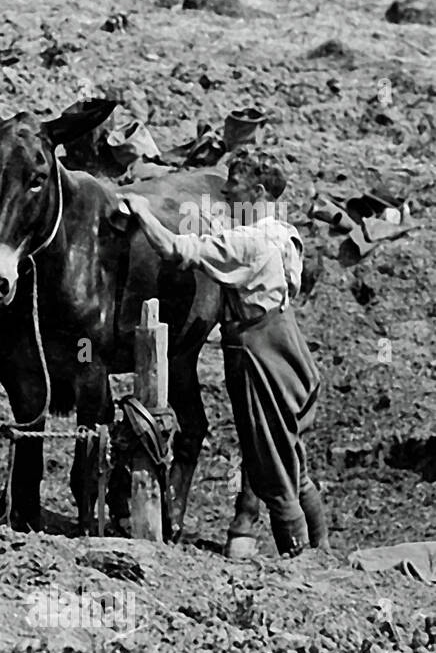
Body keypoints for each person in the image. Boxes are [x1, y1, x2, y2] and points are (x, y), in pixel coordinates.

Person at [121, 149, 327, 557]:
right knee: (290, 452)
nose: (227, 193)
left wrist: (143, 211)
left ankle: (299, 555)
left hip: (255, 349)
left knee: (268, 456)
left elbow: (176, 250)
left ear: (260, 191)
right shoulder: (286, 235)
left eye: (235, 188)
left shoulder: (249, 243)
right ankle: (321, 548)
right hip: (285, 340)